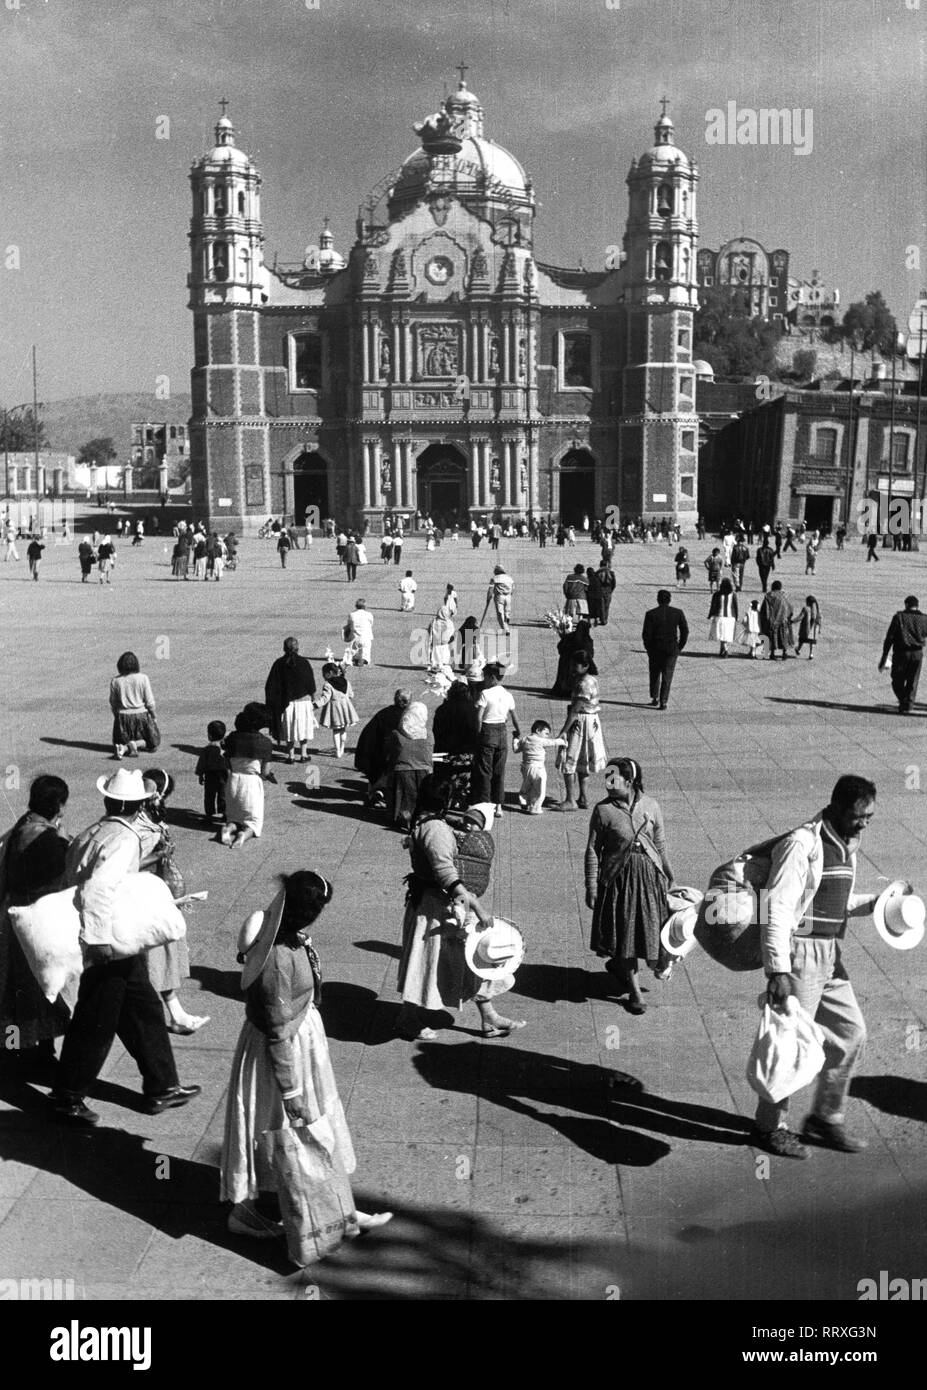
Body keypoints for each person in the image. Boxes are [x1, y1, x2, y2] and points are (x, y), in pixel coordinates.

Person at [221, 870, 392, 1244]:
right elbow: (278, 1030)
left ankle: (339, 1208)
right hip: (283, 1053)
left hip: (300, 1040)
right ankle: (248, 1213)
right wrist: (291, 1092)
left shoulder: (280, 932)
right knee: (292, 1130)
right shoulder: (278, 961)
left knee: (303, 1130)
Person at [50, 768, 201, 1126]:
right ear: (137, 806)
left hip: (111, 939)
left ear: (108, 801)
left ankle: (163, 1085)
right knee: (95, 1021)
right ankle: (66, 1097)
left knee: (144, 1009)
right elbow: (98, 889)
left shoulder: (93, 831)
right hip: (108, 941)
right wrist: (98, 940)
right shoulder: (124, 838)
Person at [753, 775, 880, 1159]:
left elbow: (835, 902)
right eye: (860, 816)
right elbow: (777, 907)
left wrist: (882, 902)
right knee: (790, 1043)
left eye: (869, 817)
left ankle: (825, 1117)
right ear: (837, 807)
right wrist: (778, 970)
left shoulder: (847, 844)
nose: (864, 823)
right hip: (799, 955)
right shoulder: (802, 844)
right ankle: (769, 1128)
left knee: (850, 1032)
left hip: (829, 955)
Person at [395, 777, 524, 1041]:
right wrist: (477, 906)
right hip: (435, 909)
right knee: (427, 963)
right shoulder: (435, 830)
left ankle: (488, 1017)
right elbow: (446, 873)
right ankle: (407, 1018)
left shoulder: (427, 823)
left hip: (437, 904)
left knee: (467, 960)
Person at [586, 758, 674, 1015]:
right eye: (607, 779)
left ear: (630, 781)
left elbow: (661, 844)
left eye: (615, 780)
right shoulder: (603, 811)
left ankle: (620, 965)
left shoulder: (651, 806)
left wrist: (671, 876)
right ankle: (635, 992)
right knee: (625, 934)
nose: (609, 784)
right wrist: (591, 885)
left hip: (649, 880)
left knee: (650, 932)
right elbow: (593, 849)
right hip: (619, 881)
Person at [0, 775, 72, 1068]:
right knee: (41, 989)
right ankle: (39, 1053)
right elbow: (61, 879)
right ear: (57, 805)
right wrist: (64, 841)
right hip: (35, 923)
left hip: (12, 918)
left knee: (15, 992)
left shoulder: (22, 826)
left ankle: (14, 1048)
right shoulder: (47, 839)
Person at [137, 770, 210, 1036]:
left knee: (160, 951)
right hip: (143, 896)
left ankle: (175, 1012)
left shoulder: (148, 818)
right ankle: (172, 1014)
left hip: (155, 892)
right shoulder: (137, 823)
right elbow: (128, 861)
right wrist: (158, 856)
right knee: (157, 950)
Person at [470, 662, 520, 818]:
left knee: (485, 771)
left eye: (485, 677)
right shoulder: (508, 695)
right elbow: (514, 716)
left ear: (492, 678)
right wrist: (519, 732)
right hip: (502, 733)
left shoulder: (485, 694)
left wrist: (477, 734)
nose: (483, 680)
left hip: (487, 731)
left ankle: (485, 804)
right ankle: (498, 805)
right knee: (499, 771)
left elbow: (478, 717)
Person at [556, 660, 607, 810]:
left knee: (569, 759)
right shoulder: (591, 680)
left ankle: (570, 799)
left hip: (581, 723)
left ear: (585, 666)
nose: (572, 666)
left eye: (575, 664)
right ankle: (583, 797)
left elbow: (574, 712)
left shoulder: (583, 685)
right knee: (583, 761)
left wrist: (563, 732)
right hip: (592, 722)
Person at [221, 708, 276, 848]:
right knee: (253, 822)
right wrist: (266, 776)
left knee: (234, 817)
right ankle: (243, 835)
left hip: (233, 780)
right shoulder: (265, 743)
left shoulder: (232, 738)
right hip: (251, 782)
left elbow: (226, 760)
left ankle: (228, 829)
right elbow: (265, 771)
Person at [354, 689, 411, 806]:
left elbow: (370, 733)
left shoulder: (384, 713)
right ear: (408, 702)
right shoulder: (408, 717)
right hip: (392, 754)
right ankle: (381, 796)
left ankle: (374, 795)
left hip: (377, 752)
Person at [265, 637, 317, 764]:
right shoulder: (304, 662)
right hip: (303, 701)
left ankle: (291, 756)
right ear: (297, 648)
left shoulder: (279, 663)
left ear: (284, 648)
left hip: (286, 703)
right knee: (303, 728)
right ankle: (304, 754)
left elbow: (271, 685)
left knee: (289, 729)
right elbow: (311, 683)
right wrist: (312, 697)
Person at [384, 700, 434, 831]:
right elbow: (429, 756)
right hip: (423, 770)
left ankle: (401, 816)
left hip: (401, 770)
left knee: (403, 797)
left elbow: (390, 754)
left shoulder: (396, 734)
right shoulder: (428, 734)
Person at [879, 595, 927, 714]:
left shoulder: (899, 617)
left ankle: (903, 700)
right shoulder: (925, 619)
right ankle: (908, 704)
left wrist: (884, 656)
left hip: (901, 653)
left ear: (906, 605)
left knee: (897, 679)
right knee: (913, 680)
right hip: (917, 653)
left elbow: (890, 637)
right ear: (917, 606)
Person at [641, 590, 689, 710]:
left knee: (654, 673)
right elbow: (685, 630)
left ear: (658, 599)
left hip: (655, 648)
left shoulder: (651, 614)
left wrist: (649, 648)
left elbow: (646, 634)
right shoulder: (677, 613)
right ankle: (664, 701)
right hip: (671, 649)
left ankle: (655, 697)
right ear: (670, 599)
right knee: (667, 675)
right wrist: (679, 647)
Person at [110, 651, 159, 759]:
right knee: (153, 744)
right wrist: (154, 716)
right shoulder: (143, 678)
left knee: (121, 740)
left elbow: (113, 703)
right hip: (141, 716)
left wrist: (117, 718)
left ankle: (124, 747)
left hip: (122, 716)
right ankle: (134, 744)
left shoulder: (115, 681)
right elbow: (149, 701)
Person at [514, 719, 565, 814]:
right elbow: (553, 742)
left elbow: (516, 749)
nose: (547, 736)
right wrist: (563, 741)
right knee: (539, 789)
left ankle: (523, 800)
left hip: (526, 767)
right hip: (538, 768)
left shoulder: (525, 739)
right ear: (538, 731)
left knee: (526, 785)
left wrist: (515, 739)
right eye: (546, 733)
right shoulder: (541, 740)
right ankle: (535, 808)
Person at [314, 662, 359, 760]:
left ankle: (337, 750)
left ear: (329, 673)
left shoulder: (327, 684)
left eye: (323, 674)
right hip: (345, 709)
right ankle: (342, 748)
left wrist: (315, 705)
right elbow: (351, 695)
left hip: (334, 710)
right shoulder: (345, 681)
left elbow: (325, 699)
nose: (323, 676)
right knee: (343, 729)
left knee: (336, 731)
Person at [196, 719, 229, 821]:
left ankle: (209, 815)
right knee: (223, 795)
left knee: (209, 796)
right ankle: (224, 813)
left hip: (210, 775)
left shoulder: (207, 749)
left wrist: (200, 774)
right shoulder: (226, 748)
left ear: (209, 735)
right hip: (224, 774)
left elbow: (202, 763)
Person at [761, 581, 794, 660]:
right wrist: (789, 616)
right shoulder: (784, 596)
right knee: (784, 636)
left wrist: (765, 618)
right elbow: (790, 607)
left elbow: (765, 608)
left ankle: (772, 653)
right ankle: (784, 653)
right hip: (783, 620)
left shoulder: (769, 596)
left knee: (772, 636)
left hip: (772, 620)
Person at [708, 577, 738, 657]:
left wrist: (710, 615)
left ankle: (723, 650)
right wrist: (736, 617)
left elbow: (713, 606)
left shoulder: (717, 594)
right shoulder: (733, 594)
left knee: (722, 634)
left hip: (719, 617)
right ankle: (724, 650)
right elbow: (735, 607)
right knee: (726, 635)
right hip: (730, 617)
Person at [482, 565, 514, 634]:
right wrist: (510, 594)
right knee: (507, 611)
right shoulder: (509, 578)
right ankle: (507, 618)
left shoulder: (494, 578)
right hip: (508, 596)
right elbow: (513, 588)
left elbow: (490, 590)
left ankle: (505, 628)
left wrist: (488, 598)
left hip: (499, 597)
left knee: (500, 613)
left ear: (497, 571)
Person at [428, 599, 456, 668]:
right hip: (445, 645)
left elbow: (429, 632)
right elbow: (452, 635)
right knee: (444, 663)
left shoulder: (434, 621)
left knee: (435, 662)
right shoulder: (449, 623)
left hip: (435, 644)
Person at [345, 598, 374, 665]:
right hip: (366, 637)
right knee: (366, 651)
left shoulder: (352, 614)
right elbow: (371, 624)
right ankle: (364, 659)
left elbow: (349, 625)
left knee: (354, 649)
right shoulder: (369, 614)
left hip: (355, 637)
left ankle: (355, 658)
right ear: (365, 606)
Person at [796, 596, 822, 660]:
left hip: (806, 628)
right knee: (811, 642)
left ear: (807, 602)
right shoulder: (817, 610)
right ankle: (811, 654)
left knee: (802, 639)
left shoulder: (806, 609)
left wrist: (793, 621)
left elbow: (800, 617)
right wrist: (819, 629)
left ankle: (798, 649)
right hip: (814, 629)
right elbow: (819, 620)